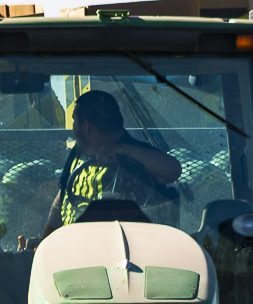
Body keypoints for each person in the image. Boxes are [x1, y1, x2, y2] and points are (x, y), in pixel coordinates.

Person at [42, 89, 182, 237]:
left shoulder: (136, 154)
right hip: (69, 242)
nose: (73, 127)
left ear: (86, 126)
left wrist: (124, 151)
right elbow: (62, 196)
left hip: (120, 244)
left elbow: (173, 170)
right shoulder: (79, 151)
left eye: (75, 121)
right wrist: (45, 239)